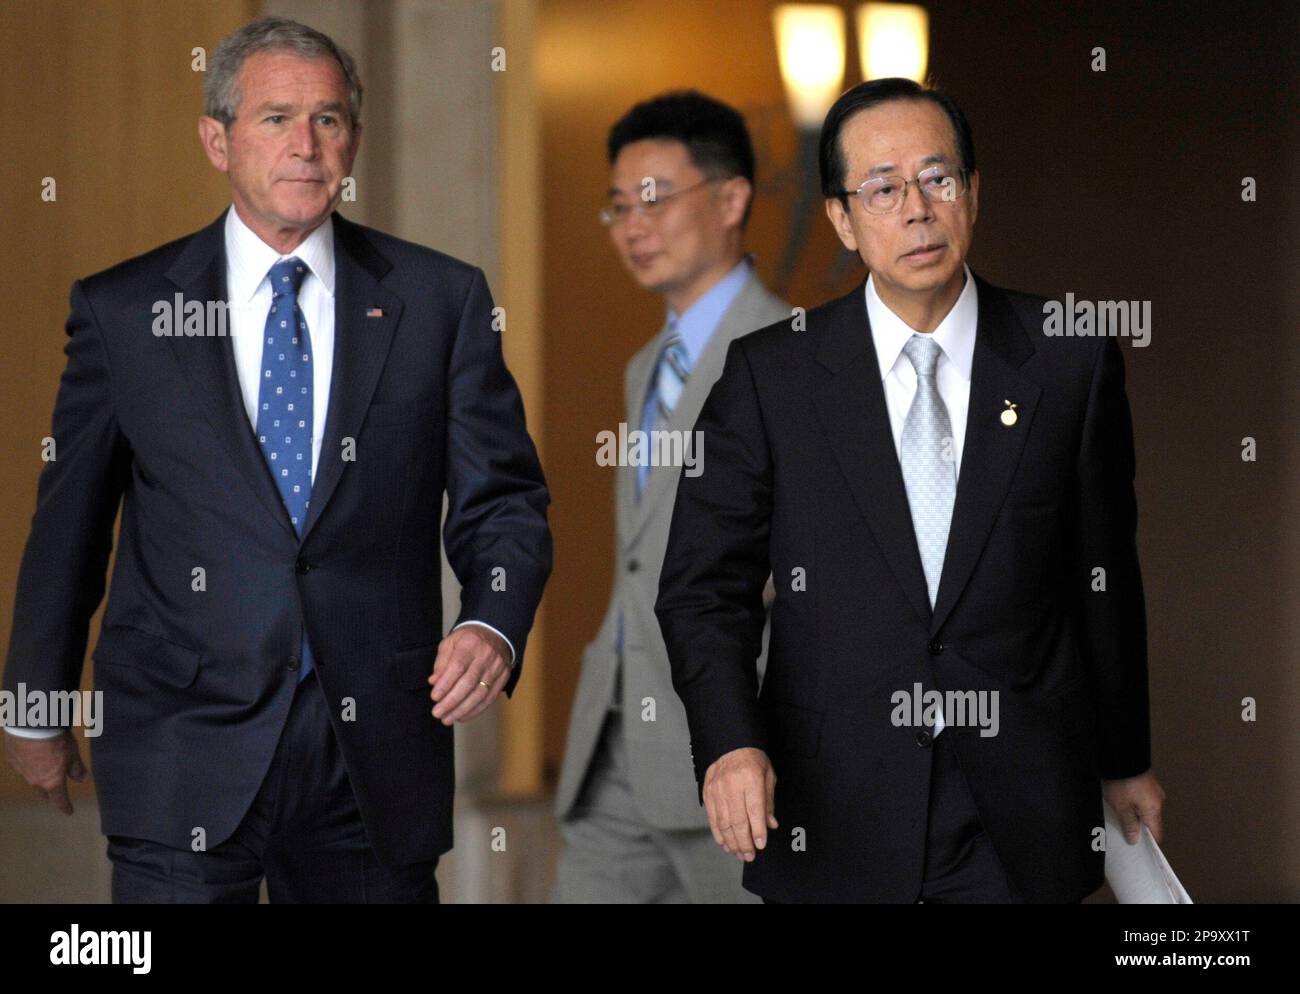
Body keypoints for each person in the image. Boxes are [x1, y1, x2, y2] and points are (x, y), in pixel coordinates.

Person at [1, 16, 551, 904]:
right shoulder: (125, 311)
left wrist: (492, 622)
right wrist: (35, 696)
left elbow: (506, 501)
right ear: (216, 139)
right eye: (276, 118)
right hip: (181, 736)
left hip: (372, 749)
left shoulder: (439, 300)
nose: (306, 145)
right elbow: (69, 521)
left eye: (329, 120)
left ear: (354, 142)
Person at [654, 78, 1165, 903]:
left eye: (938, 179)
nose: (917, 210)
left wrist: (1125, 758)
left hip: (1018, 810)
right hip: (832, 806)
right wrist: (728, 745)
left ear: (973, 194)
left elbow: (1103, 578)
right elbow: (701, 591)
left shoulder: (1069, 358)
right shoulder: (771, 376)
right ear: (841, 220)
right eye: (883, 189)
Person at [551, 91, 788, 903]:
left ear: (731, 199)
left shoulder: (798, 360)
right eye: (617, 206)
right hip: (613, 737)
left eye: (654, 199)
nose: (632, 225)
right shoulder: (644, 365)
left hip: (727, 751)